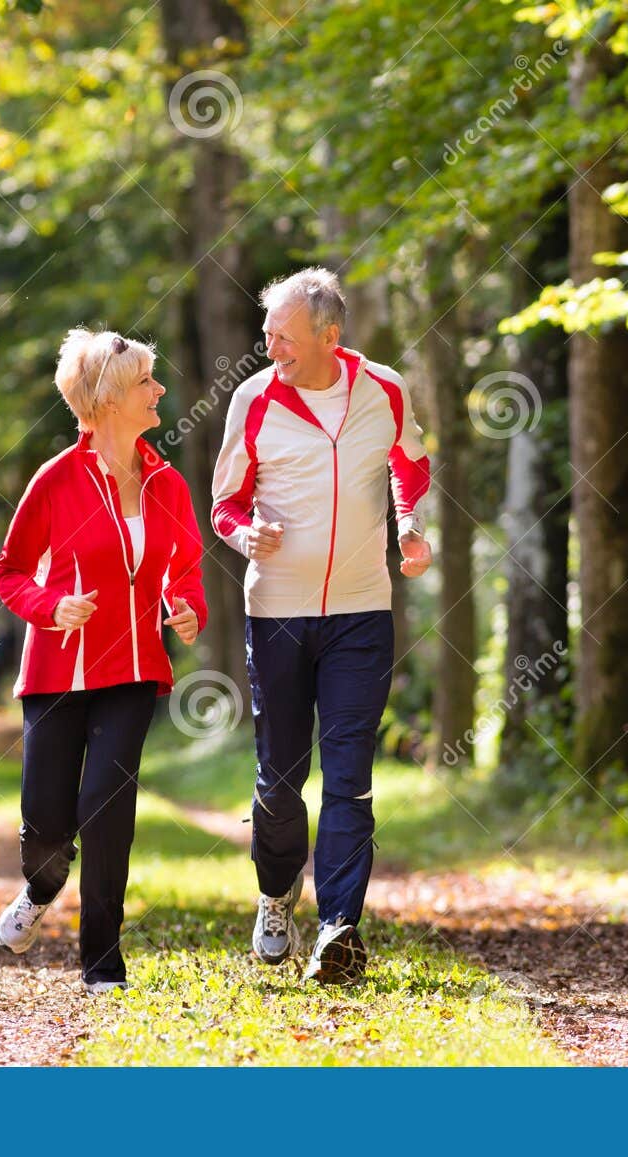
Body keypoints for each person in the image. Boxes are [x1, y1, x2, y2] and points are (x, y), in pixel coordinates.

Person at [211, 267, 432, 985]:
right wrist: (248, 536)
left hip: (362, 610)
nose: (268, 343)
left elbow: (411, 464)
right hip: (276, 609)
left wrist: (411, 526)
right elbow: (224, 506)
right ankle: (277, 894)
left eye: (282, 333)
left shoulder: (384, 389)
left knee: (350, 773)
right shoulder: (253, 399)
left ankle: (339, 925)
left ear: (328, 336)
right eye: (266, 330)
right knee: (280, 777)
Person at [0, 329, 207, 994]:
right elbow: (11, 571)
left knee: (107, 806)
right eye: (147, 381)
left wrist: (186, 607)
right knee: (48, 831)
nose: (160, 390)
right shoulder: (56, 480)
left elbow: (186, 567)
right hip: (57, 672)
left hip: (134, 668)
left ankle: (102, 965)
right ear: (111, 398)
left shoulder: (167, 482)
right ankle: (40, 886)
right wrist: (51, 605)